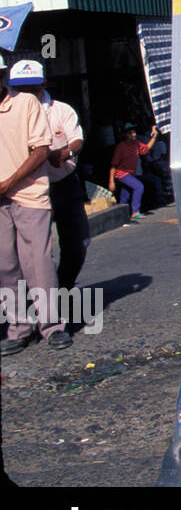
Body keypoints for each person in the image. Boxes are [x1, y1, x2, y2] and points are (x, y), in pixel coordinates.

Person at [0, 55, 70, 355]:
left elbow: (40, 150)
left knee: (38, 264)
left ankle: (52, 327)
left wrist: (9, 182)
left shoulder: (25, 103)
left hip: (29, 194)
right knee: (5, 267)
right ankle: (18, 328)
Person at [7, 60, 90, 289]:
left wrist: (67, 151)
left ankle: (62, 288)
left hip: (62, 184)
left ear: (44, 83)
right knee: (29, 255)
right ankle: (35, 304)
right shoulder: (8, 112)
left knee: (78, 244)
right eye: (21, 89)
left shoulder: (60, 110)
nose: (27, 94)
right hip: (25, 189)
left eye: (33, 88)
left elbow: (76, 138)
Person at [109, 122, 158, 223]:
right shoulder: (121, 147)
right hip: (121, 174)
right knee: (139, 186)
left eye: (134, 132)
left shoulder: (136, 143)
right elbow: (113, 165)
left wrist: (154, 136)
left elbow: (146, 148)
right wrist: (111, 181)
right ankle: (135, 212)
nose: (133, 134)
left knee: (125, 195)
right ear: (125, 135)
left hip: (130, 174)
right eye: (130, 133)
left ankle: (121, 216)